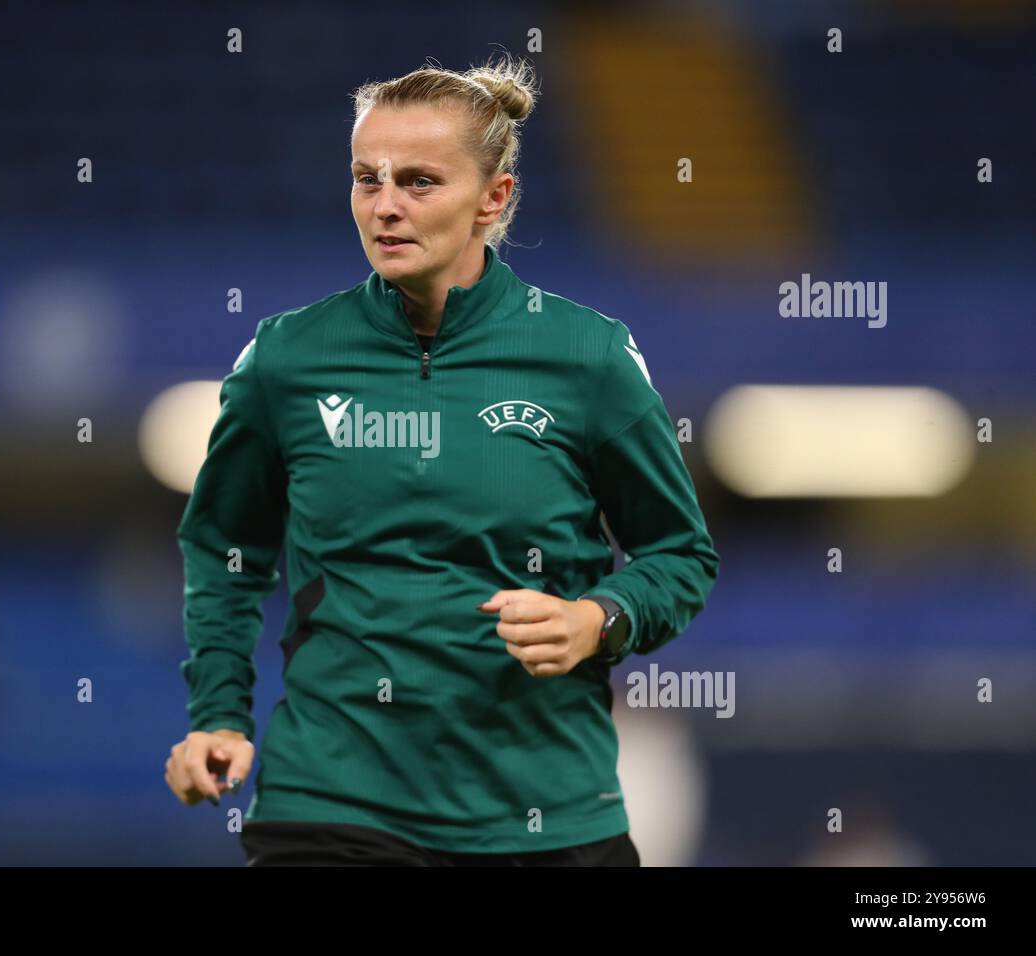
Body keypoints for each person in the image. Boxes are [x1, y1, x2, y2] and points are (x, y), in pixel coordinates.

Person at [164, 55, 719, 866]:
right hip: (331, 805)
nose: (384, 207)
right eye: (366, 179)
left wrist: (593, 619)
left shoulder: (586, 357)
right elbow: (224, 546)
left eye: (419, 182)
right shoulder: (286, 359)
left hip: (544, 815)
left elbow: (679, 555)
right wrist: (218, 713)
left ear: (493, 198)